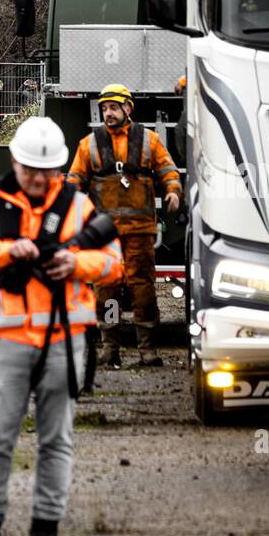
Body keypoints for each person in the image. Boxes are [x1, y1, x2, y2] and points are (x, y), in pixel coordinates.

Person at [0, 116, 123, 536]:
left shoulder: (80, 208)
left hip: (65, 339)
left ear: (61, 168)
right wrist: (7, 252)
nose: (41, 180)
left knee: (56, 440)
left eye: (49, 172)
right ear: (15, 162)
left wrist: (75, 265)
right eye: (31, 171)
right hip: (6, 341)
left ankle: (45, 530)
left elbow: (114, 265)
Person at [68, 83, 182, 369]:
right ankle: (110, 349)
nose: (108, 113)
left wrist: (173, 191)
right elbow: (74, 181)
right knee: (106, 288)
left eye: (113, 108)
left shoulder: (150, 140)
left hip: (140, 230)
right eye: (104, 108)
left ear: (127, 109)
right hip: (104, 233)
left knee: (142, 287)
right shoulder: (89, 144)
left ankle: (148, 351)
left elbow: (168, 170)